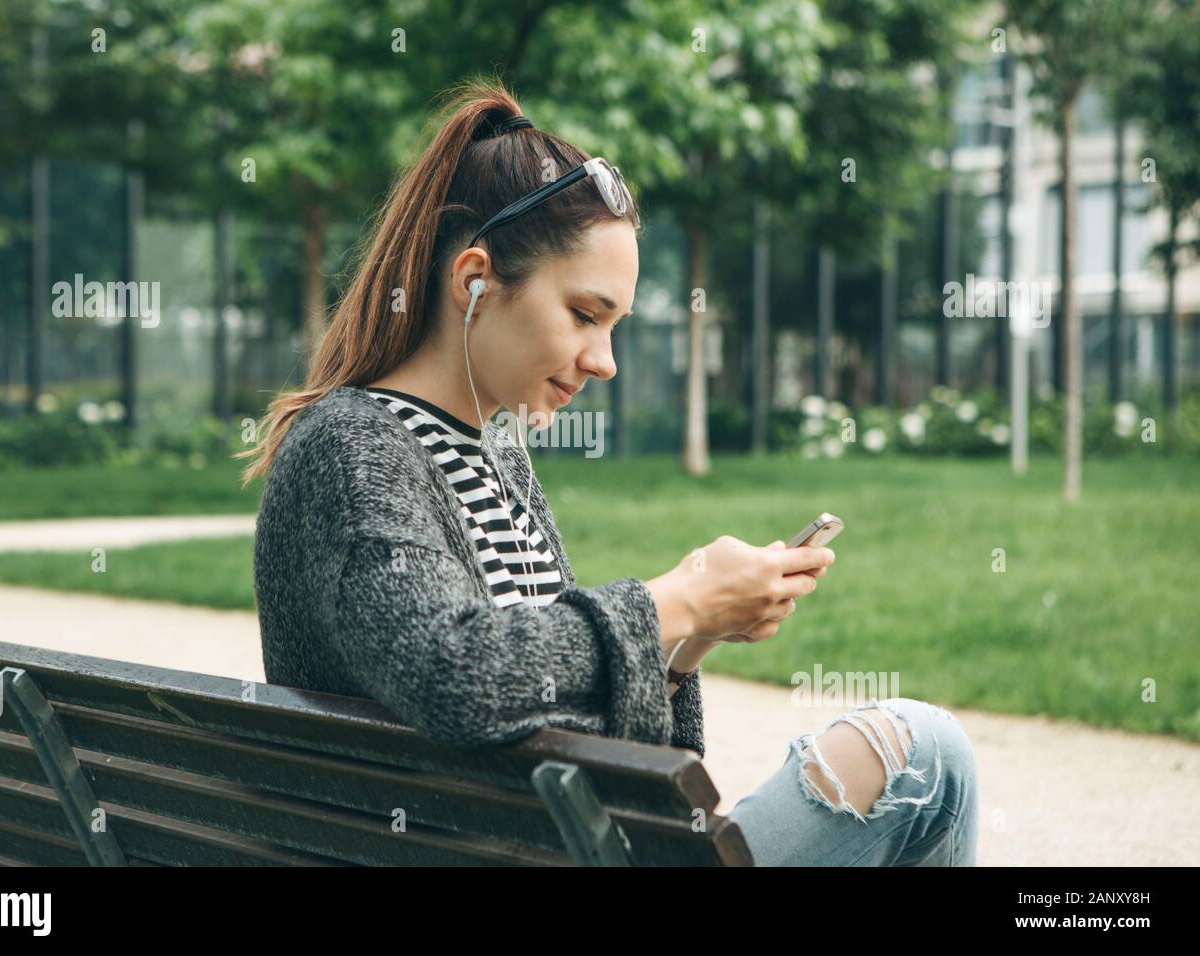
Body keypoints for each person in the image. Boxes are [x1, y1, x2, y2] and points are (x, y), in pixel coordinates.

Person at [241, 79, 978, 866]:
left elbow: (625, 752)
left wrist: (686, 637)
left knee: (913, 753)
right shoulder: (352, 449)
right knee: (926, 757)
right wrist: (673, 598)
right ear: (475, 282)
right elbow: (457, 675)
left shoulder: (496, 454)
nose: (606, 361)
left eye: (615, 325)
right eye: (586, 315)